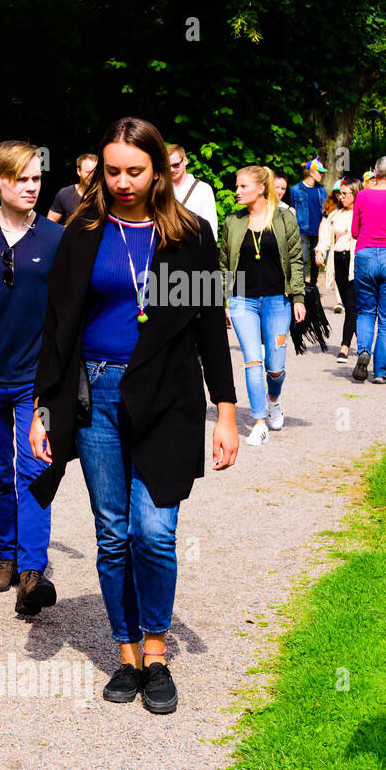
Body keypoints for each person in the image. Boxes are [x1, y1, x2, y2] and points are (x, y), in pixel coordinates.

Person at [28, 116, 238, 716]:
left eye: (134, 171)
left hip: (169, 397)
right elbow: (58, 327)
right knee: (114, 531)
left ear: (160, 169)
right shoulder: (84, 231)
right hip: (95, 396)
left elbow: (208, 330)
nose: (121, 181)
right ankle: (125, 653)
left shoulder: (191, 236)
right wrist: (46, 408)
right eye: (112, 170)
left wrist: (225, 411)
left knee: (155, 530)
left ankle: (157, 648)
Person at [0, 140, 63, 611]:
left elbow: (68, 311)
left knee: (34, 466)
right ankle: (5, 557)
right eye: (22, 179)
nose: (31, 187)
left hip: (36, 378)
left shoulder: (54, 238)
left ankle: (31, 571)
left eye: (37, 179)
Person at [219, 165, 306, 446]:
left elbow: (295, 258)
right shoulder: (233, 221)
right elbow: (223, 265)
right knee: (252, 362)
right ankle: (259, 423)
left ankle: (274, 400)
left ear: (260, 188)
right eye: (237, 185)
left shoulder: (283, 218)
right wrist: (222, 302)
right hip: (243, 301)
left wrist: (299, 298)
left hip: (276, 301)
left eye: (242, 186)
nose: (237, 191)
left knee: (275, 367)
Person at [351, 155, 386, 384]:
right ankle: (380, 372)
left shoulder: (362, 195)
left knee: (366, 310)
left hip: (365, 255)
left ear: (375, 174)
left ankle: (363, 351)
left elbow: (355, 231)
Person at [316, 179, 358, 357]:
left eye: (345, 193)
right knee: (350, 305)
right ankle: (363, 344)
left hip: (355, 262)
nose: (341, 197)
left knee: (354, 306)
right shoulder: (335, 215)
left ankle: (345, 346)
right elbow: (325, 235)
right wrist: (320, 251)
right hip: (338, 261)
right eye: (340, 193)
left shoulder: (360, 214)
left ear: (355, 194)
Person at [291, 158, 328, 284]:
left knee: (316, 259)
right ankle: (300, 286)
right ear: (312, 172)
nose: (322, 175)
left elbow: (325, 209)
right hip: (302, 229)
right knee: (303, 258)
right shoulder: (295, 190)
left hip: (318, 229)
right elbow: (292, 209)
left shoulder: (321, 190)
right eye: (320, 172)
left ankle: (313, 285)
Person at [168, 143, 219, 233]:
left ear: (185, 161)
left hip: (195, 244)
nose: (172, 170)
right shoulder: (162, 189)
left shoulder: (203, 189)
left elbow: (211, 228)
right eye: (168, 167)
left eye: (175, 165)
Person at [48, 153, 98, 224]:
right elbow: (50, 224)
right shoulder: (65, 194)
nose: (92, 176)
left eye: (95, 172)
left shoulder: (105, 194)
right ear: (78, 171)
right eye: (88, 172)